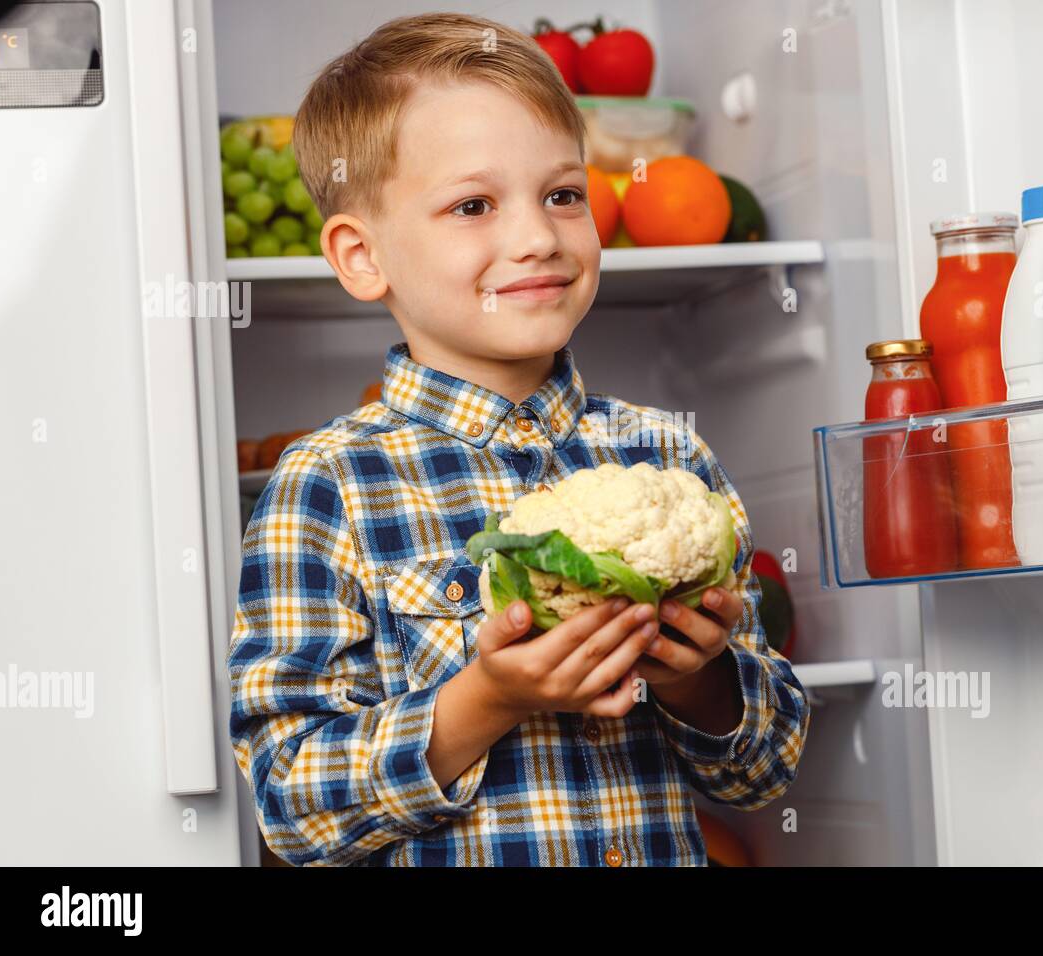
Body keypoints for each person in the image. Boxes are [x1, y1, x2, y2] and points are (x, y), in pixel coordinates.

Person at [227, 11, 810, 866]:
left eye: (564, 195)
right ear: (361, 257)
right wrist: (486, 699)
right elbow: (290, 805)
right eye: (473, 205)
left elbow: (764, 772)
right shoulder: (328, 483)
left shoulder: (668, 455)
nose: (538, 237)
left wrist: (698, 676)